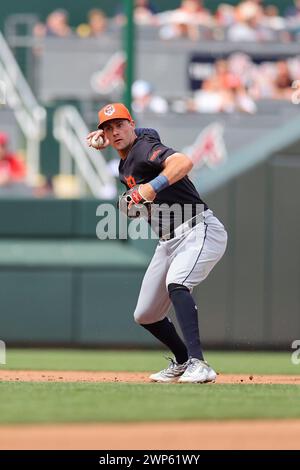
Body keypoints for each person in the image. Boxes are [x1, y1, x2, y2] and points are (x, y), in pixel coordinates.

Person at [86, 103, 227, 383]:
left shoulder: (143, 148)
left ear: (131, 124)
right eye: (108, 128)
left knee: (177, 283)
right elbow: (147, 134)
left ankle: (200, 364)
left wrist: (151, 188)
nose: (115, 132)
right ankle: (183, 360)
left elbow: (184, 162)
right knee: (146, 314)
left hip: (199, 229)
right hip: (168, 241)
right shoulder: (128, 159)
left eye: (120, 125)